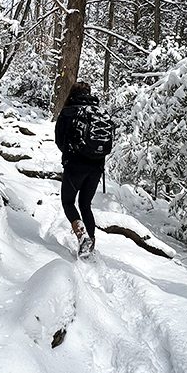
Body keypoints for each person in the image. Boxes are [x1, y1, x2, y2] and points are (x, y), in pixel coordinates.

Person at [54, 81, 106, 256]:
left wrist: (72, 152)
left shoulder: (68, 112)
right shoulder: (100, 113)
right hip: (96, 167)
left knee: (68, 202)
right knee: (85, 204)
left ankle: (82, 235)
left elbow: (59, 141)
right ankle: (90, 244)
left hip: (74, 166)